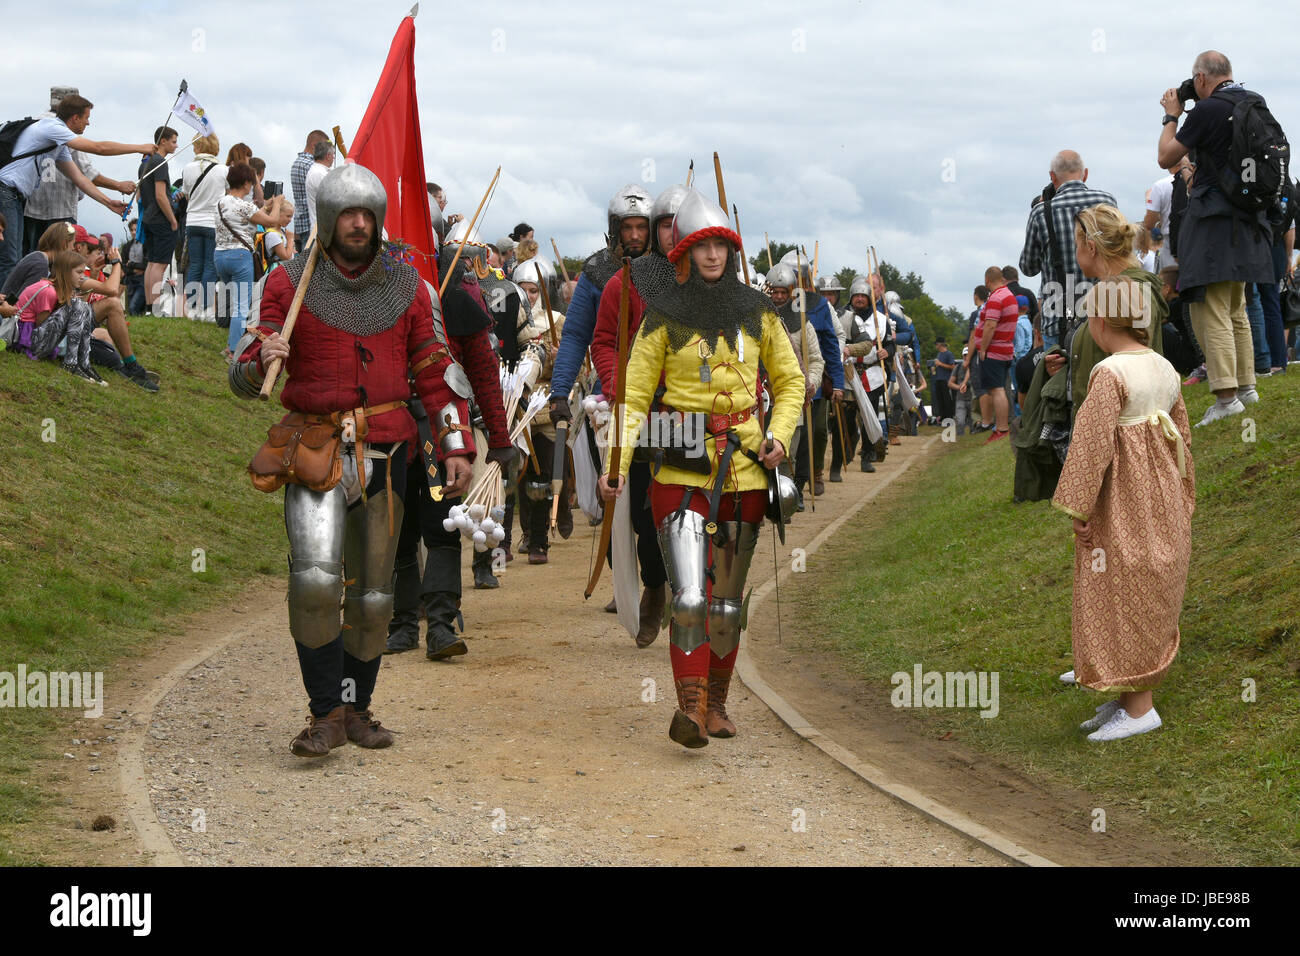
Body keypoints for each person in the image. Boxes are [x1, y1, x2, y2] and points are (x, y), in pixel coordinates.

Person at [229, 163, 475, 756]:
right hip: (315, 449)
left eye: (368, 214)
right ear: (329, 219)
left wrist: (456, 443)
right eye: (348, 214)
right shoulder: (288, 282)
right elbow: (242, 375)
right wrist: (262, 358)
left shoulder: (410, 286)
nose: (359, 224)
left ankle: (357, 709)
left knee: (373, 597)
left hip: (387, 451)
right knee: (314, 585)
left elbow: (437, 369)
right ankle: (325, 714)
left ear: (379, 218)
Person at [599, 190, 803, 748]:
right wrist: (617, 462)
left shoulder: (759, 310)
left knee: (726, 602)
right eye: (701, 245)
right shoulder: (663, 316)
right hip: (680, 456)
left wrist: (779, 436)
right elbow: (635, 395)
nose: (712, 255)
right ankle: (687, 710)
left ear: (730, 250)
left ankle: (716, 703)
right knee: (689, 595)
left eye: (720, 245)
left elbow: (790, 383)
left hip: (745, 463)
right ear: (683, 252)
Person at [1052, 273, 1195, 742]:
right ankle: (1124, 695)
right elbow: (1183, 441)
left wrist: (1080, 505)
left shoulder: (1110, 373)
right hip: (1161, 495)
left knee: (1116, 587)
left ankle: (1139, 710)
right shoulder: (1165, 369)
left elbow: (1092, 445)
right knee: (1143, 586)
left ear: (1099, 322)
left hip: (1124, 496)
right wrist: (1185, 493)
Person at [586, 184, 684, 641]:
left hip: (692, 410)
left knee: (690, 504)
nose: (646, 234)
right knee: (646, 510)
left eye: (657, 225)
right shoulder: (621, 283)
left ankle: (695, 595)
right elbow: (603, 341)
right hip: (643, 411)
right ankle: (656, 587)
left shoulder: (699, 277)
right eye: (637, 227)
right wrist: (617, 387)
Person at [1157, 50, 1274, 425]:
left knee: (1209, 308)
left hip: (1213, 222)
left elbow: (1165, 156)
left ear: (1203, 79)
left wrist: (1172, 115)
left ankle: (1226, 398)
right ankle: (1246, 387)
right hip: (1248, 218)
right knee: (1235, 306)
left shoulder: (1207, 111)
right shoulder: (1253, 102)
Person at [0, 93, 151, 289]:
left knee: (14, 257)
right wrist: (139, 148)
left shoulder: (57, 144)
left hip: (15, 196)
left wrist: (108, 203)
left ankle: (14, 309)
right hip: (6, 191)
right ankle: (7, 314)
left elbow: (80, 178)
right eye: (86, 118)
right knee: (10, 258)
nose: (88, 124)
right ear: (75, 118)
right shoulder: (52, 127)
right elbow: (98, 148)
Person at [1019, 150, 1118, 347]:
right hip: (1104, 314)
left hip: (1059, 318)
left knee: (1060, 377)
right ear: (1085, 173)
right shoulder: (1107, 202)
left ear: (1052, 177)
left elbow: (1028, 268)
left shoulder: (1041, 212)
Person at [21, 89, 135, 256]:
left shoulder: (37, 123)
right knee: (62, 262)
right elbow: (86, 171)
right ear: (74, 113)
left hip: (31, 208)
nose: (87, 122)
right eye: (85, 116)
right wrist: (117, 185)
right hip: (60, 210)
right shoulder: (63, 132)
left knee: (32, 257)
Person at [70, 227, 159, 391]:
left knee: (105, 338)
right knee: (113, 305)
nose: (96, 254)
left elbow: (80, 304)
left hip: (71, 327)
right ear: (78, 247)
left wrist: (96, 274)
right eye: (91, 249)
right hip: (67, 332)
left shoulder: (70, 267)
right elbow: (112, 293)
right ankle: (130, 367)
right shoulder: (71, 269)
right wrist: (117, 263)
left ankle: (122, 364)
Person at [215, 163, 283, 357]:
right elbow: (272, 222)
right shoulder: (245, 206)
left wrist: (267, 205)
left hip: (220, 255)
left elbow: (249, 214)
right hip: (240, 256)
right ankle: (233, 350)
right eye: (251, 183)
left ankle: (231, 340)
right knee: (241, 305)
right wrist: (277, 204)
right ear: (246, 183)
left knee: (233, 300)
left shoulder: (221, 202)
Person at [9, 249, 101, 383]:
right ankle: (71, 363)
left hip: (37, 338)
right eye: (79, 272)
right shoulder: (49, 291)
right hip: (26, 340)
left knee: (83, 306)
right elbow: (41, 323)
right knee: (77, 305)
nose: (83, 277)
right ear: (65, 271)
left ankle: (83, 363)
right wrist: (68, 312)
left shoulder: (56, 289)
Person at [964, 266, 1017, 441]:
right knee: (999, 388)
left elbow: (990, 325)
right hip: (1005, 349)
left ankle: (1001, 428)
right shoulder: (1009, 295)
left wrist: (983, 348)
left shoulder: (996, 297)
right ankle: (1001, 427)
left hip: (994, 351)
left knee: (996, 390)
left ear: (987, 280)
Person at [179, 134, 225, 320]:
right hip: (212, 221)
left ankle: (192, 308)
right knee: (209, 266)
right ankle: (207, 309)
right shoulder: (223, 170)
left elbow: (187, 194)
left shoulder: (188, 168)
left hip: (192, 221)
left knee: (195, 265)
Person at [138, 126, 180, 311]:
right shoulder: (160, 162)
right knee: (160, 264)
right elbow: (161, 195)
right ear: (163, 141)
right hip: (160, 218)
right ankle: (155, 306)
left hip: (147, 216)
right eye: (173, 141)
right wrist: (173, 219)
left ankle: (149, 306)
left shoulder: (145, 162)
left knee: (152, 262)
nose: (176, 145)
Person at [289, 130, 328, 251]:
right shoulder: (310, 165)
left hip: (303, 225)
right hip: (312, 225)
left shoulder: (299, 163)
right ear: (314, 146)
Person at [304, 140, 335, 234]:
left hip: (322, 228)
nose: (334, 157)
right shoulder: (319, 174)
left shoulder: (318, 171)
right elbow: (335, 198)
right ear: (328, 156)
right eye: (333, 154)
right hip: (323, 230)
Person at [931, 337, 957, 425]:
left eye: (936, 344)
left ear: (940, 344)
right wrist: (934, 368)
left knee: (947, 400)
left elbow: (953, 367)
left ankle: (949, 418)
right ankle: (943, 418)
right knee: (940, 400)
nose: (935, 346)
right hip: (938, 379)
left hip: (946, 379)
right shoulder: (939, 354)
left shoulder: (948, 354)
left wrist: (940, 364)